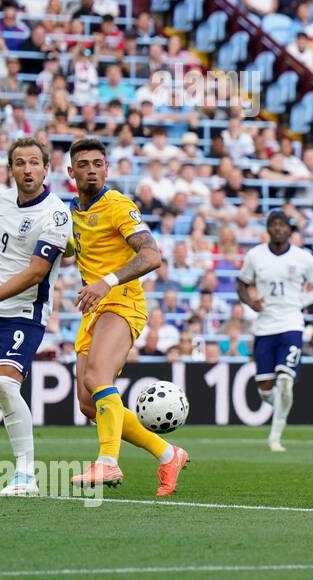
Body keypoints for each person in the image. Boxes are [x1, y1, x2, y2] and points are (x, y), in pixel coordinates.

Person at [64, 138, 188, 495]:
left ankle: (107, 462)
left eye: (98, 164)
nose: (91, 170)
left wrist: (106, 281)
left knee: (99, 376)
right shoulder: (72, 211)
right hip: (94, 309)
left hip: (122, 302)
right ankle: (167, 453)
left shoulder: (118, 205)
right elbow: (75, 246)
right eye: (83, 164)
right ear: (71, 172)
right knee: (89, 403)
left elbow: (152, 255)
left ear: (107, 168)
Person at [0, 139, 72, 496]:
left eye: (33, 163)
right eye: (19, 163)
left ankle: (25, 475)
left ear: (46, 169)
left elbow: (35, 273)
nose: (26, 170)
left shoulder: (56, 215)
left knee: (5, 384)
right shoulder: (1, 201)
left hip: (23, 312)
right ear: (10, 169)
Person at [236, 210, 313, 452]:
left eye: (282, 225)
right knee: (266, 390)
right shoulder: (255, 256)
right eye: (273, 224)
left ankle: (275, 436)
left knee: (286, 381)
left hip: (291, 325)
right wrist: (251, 302)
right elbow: (241, 284)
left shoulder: (303, 258)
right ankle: (280, 408)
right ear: (268, 229)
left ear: (290, 229)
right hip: (265, 327)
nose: (278, 228)